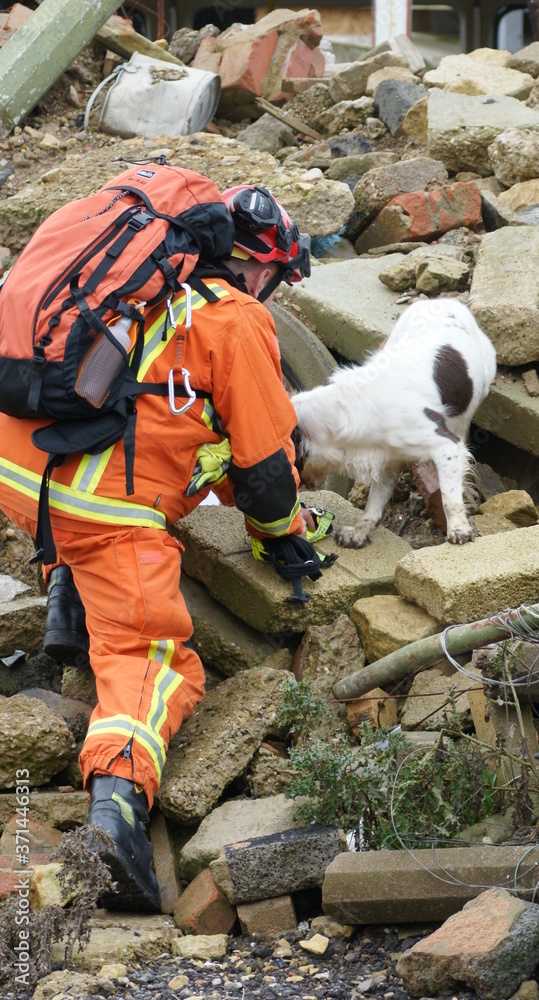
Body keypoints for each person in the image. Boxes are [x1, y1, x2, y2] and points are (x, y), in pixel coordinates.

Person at [0, 184, 313, 911]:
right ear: (257, 264)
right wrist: (283, 538)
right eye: (276, 277)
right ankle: (116, 815)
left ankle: (66, 592)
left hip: (18, 472)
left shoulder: (125, 283)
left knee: (94, 516)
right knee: (150, 658)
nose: (273, 290)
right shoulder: (234, 317)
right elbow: (265, 468)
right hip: (100, 508)